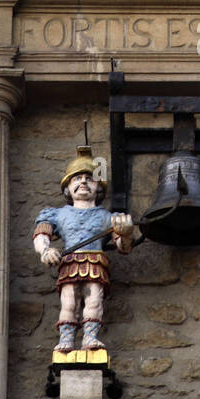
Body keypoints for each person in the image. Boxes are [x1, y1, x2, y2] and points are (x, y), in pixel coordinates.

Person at [32, 145, 134, 353]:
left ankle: (90, 338)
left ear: (99, 188)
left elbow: (123, 247)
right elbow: (41, 234)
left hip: (96, 262)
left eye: (89, 179)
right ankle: (66, 341)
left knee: (94, 300)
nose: (83, 182)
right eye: (76, 179)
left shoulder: (107, 217)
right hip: (70, 262)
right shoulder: (57, 214)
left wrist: (125, 233)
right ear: (67, 188)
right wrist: (45, 251)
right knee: (69, 303)